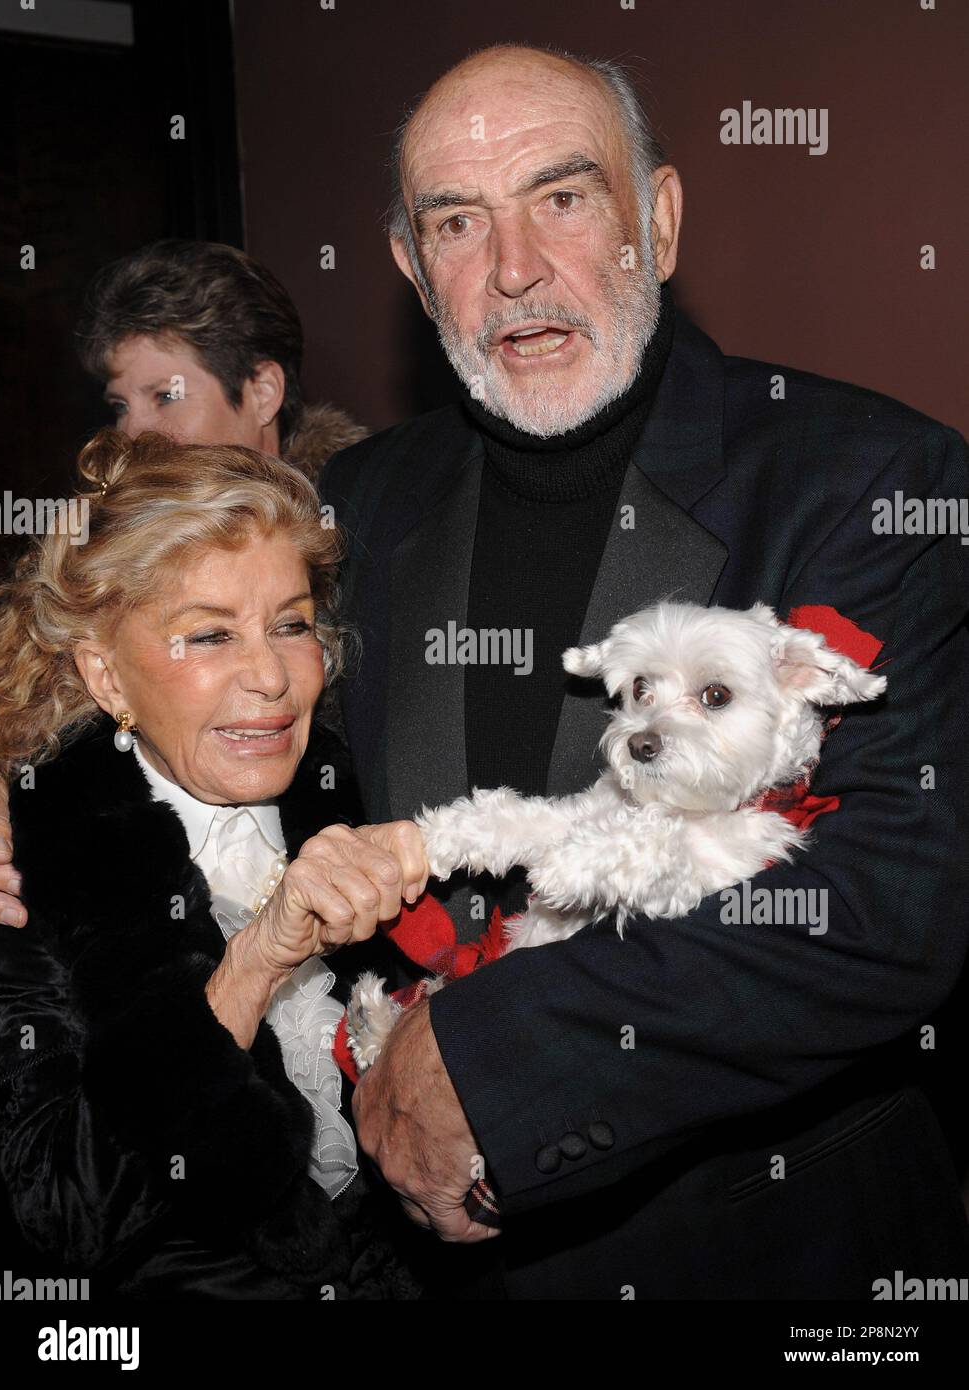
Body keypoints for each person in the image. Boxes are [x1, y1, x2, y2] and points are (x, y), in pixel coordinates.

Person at [318, 45, 969, 1295]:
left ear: (656, 223)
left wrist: (486, 1066)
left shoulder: (875, 478)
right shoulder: (358, 500)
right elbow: (263, 761)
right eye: (458, 221)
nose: (514, 270)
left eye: (563, 198)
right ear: (411, 267)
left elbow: (888, 902)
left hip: (768, 1258)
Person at [0, 428, 426, 1297]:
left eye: (290, 624)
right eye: (209, 636)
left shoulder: (366, 784)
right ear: (105, 676)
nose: (269, 676)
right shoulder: (22, 866)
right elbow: (70, 1209)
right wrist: (256, 962)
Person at [0, 238, 365, 929]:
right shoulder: (95, 553)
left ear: (262, 391)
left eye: (166, 395)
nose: (136, 429)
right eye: (120, 404)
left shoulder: (372, 539)